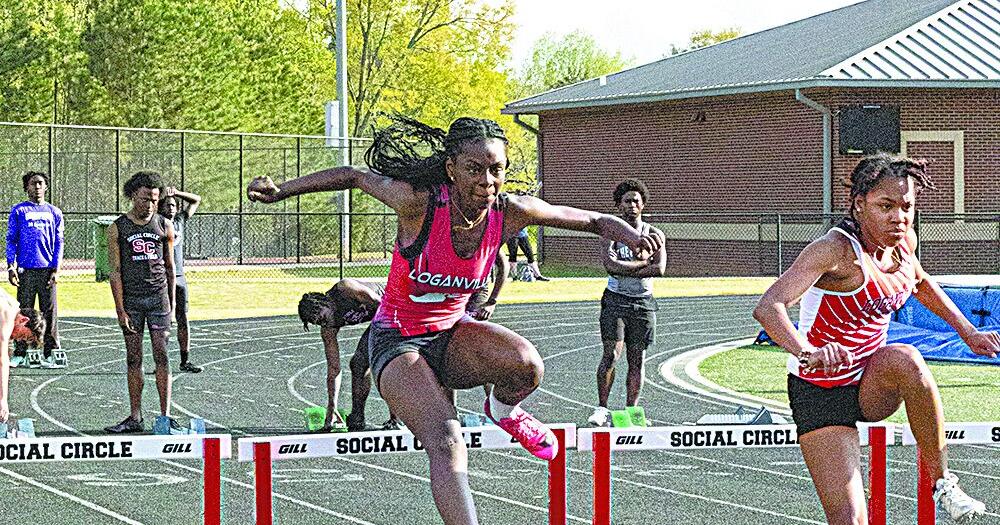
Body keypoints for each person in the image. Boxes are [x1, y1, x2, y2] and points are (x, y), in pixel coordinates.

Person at [249, 115, 662, 525]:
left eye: (496, 170)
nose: (487, 181)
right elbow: (355, 176)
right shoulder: (419, 203)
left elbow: (590, 220)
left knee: (527, 366)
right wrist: (283, 190)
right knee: (447, 441)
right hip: (397, 341)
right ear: (451, 169)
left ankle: (503, 410)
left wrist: (629, 234)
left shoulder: (510, 212)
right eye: (475, 170)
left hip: (450, 334)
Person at [753, 153, 998, 524]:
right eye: (886, 206)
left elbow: (921, 283)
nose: (898, 217)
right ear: (859, 205)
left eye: (906, 207)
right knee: (850, 520)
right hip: (820, 390)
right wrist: (808, 351)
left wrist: (968, 332)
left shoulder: (903, 245)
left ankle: (943, 484)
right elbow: (769, 307)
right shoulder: (834, 252)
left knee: (906, 358)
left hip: (871, 381)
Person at [298, 252, 508, 433]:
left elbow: (381, 305)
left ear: (323, 302)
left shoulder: (346, 288)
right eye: (318, 323)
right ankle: (357, 417)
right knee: (358, 363)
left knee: (396, 360)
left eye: (322, 317)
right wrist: (331, 407)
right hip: (384, 319)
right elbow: (334, 369)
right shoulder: (327, 327)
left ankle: (398, 417)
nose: (324, 323)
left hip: (397, 308)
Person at [104, 171, 178, 434]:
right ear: (134, 195)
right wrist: (120, 309)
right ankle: (135, 417)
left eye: (155, 199)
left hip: (158, 300)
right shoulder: (118, 228)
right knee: (134, 358)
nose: (150, 204)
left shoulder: (164, 226)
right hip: (132, 302)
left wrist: (171, 305)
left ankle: (165, 416)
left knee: (162, 355)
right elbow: (115, 271)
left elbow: (170, 268)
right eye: (146, 198)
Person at [588, 179, 665, 427]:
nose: (631, 205)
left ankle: (631, 410)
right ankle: (602, 408)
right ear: (618, 206)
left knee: (637, 359)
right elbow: (610, 266)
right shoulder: (610, 232)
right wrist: (643, 264)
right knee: (611, 355)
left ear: (643, 205)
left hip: (643, 302)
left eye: (635, 201)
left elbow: (660, 269)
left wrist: (628, 269)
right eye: (626, 201)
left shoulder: (654, 234)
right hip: (615, 301)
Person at [6, 171, 64, 369]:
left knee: (49, 312)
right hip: (25, 270)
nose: (37, 187)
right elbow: (11, 240)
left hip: (47, 270)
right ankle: (20, 353)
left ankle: (50, 353)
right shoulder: (19, 211)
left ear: (46, 187)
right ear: (26, 188)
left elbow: (59, 242)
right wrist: (10, 265)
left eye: (40, 183)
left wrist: (56, 269)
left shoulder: (54, 212)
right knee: (23, 313)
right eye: (33, 184)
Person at [158, 186, 203, 373]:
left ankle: (185, 360)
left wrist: (176, 193)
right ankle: (161, 361)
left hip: (179, 277)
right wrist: (162, 196)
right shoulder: (156, 222)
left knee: (183, 317)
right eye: (168, 205)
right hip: (162, 277)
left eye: (174, 205)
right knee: (163, 320)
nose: (172, 208)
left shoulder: (179, 220)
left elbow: (196, 200)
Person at [0, 289, 45, 423]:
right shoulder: (8, 313)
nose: (18, 339)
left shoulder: (13, 304)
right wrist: (3, 400)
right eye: (23, 336)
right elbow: (2, 360)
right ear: (24, 320)